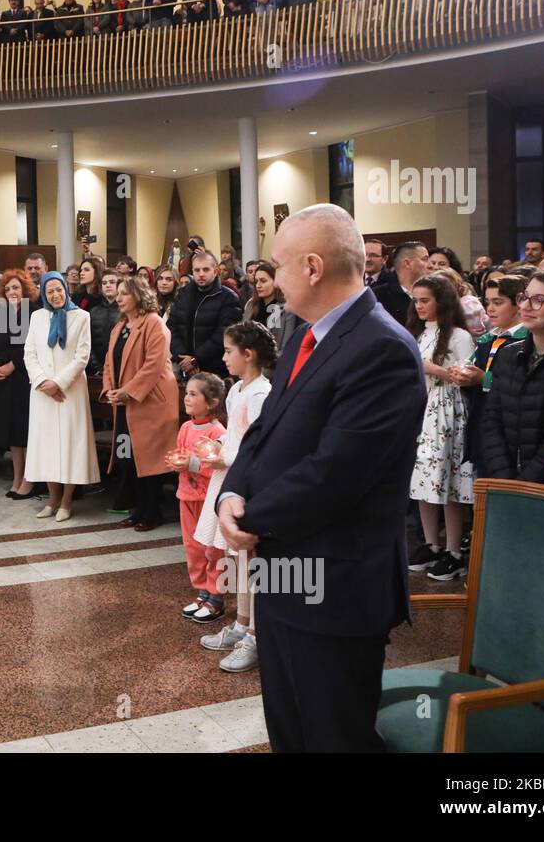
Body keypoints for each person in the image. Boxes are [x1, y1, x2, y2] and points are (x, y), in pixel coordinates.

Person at [216, 204, 427, 751]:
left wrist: (250, 518)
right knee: (289, 728)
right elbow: (264, 431)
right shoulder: (307, 336)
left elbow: (337, 473)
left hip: (337, 584)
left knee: (333, 736)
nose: (270, 278)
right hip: (284, 568)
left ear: (312, 267)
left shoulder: (382, 347)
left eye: (278, 265)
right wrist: (232, 492)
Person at [196, 322, 277, 671]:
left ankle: (257, 635)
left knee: (252, 559)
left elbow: (257, 445)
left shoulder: (260, 394)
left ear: (249, 354)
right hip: (231, 477)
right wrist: (218, 445)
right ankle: (242, 623)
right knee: (238, 558)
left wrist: (225, 457)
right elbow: (235, 435)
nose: (224, 357)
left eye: (229, 351)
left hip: (249, 482)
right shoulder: (237, 390)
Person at [479, 268, 544, 484]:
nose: (525, 306)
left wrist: (525, 483)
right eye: (524, 297)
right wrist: (504, 477)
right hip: (504, 477)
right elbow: (491, 418)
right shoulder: (508, 353)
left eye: (538, 300)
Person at [407, 273, 477, 581]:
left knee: (448, 480)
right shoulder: (420, 333)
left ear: (442, 302)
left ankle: (453, 550)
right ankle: (431, 543)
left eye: (425, 300)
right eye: (416, 301)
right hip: (423, 410)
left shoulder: (459, 336)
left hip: (448, 411)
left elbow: (467, 376)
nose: (419, 306)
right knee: (423, 479)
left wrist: (431, 368)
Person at [102, 274, 179, 531]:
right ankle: (138, 509)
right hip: (126, 403)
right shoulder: (120, 326)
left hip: (151, 402)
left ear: (138, 295)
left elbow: (153, 365)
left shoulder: (154, 323)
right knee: (129, 457)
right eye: (118, 294)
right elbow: (109, 362)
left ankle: (152, 511)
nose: (119, 298)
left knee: (149, 458)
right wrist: (110, 389)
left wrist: (127, 391)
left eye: (124, 293)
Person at [23, 271, 99, 521]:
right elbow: (29, 353)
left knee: (70, 444)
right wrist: (42, 381)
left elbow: (82, 356)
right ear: (44, 294)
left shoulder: (82, 316)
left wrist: (58, 383)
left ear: (66, 289)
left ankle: (66, 501)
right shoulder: (37, 316)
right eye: (50, 291)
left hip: (70, 391)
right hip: (43, 392)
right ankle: (52, 499)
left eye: (59, 290)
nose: (55, 295)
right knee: (46, 445)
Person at [454, 274, 528, 478]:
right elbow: (471, 365)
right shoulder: (487, 338)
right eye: (488, 302)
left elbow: (525, 382)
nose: (490, 309)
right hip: (483, 421)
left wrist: (483, 379)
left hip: (510, 428)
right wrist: (462, 374)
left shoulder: (527, 339)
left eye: (498, 302)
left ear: (519, 303)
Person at [168, 373, 228, 621]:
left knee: (212, 549)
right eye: (187, 393)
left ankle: (216, 596)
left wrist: (190, 464)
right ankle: (202, 591)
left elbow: (217, 467)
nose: (187, 398)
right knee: (193, 547)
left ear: (212, 402)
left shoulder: (217, 431)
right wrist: (177, 462)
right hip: (187, 495)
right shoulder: (185, 427)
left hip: (207, 499)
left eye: (194, 394)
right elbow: (183, 455)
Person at [0, 269, 36, 499]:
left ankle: (29, 479)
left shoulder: (33, 312)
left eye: (16, 287)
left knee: (24, 430)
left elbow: (30, 346)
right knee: (12, 432)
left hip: (24, 378)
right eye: (7, 289)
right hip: (3, 379)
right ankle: (17, 477)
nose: (11, 292)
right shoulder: (0, 313)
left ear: (25, 289)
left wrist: (13, 365)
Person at [170, 249, 243, 378]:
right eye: (197, 270)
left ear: (215, 272)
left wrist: (195, 359)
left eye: (206, 270)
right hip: (184, 368)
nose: (201, 274)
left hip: (215, 370)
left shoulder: (228, 297)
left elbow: (223, 334)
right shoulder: (183, 294)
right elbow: (172, 327)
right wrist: (182, 357)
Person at [243, 261, 300, 357]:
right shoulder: (251, 305)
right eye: (256, 281)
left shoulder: (286, 308)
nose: (258, 285)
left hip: (272, 362)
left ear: (276, 282)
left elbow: (285, 346)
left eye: (263, 281)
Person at [374, 240, 429, 329]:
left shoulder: (434, 292)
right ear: (407, 263)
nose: (430, 265)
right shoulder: (378, 296)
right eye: (425, 259)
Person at [87, 268, 121, 375]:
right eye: (104, 283)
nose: (108, 285)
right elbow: (87, 342)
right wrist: (97, 367)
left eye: (112, 282)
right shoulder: (93, 312)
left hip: (120, 368)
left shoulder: (126, 311)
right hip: (97, 370)